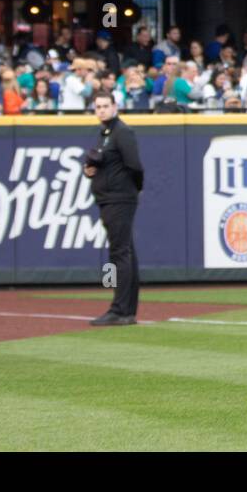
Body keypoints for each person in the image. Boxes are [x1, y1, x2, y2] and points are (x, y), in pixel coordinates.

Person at [84, 92, 144, 325]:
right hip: (108, 198)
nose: (101, 110)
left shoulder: (123, 132)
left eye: (105, 106)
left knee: (118, 254)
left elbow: (135, 166)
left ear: (115, 107)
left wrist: (134, 189)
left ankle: (119, 309)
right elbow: (102, 163)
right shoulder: (104, 134)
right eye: (98, 106)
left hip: (119, 199)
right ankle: (126, 311)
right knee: (125, 252)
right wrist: (88, 170)